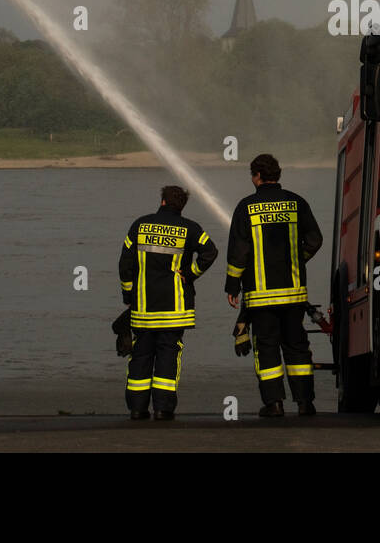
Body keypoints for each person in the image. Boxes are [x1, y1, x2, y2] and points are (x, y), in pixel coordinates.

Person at [224, 153, 322, 418]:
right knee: (296, 346)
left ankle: (274, 404)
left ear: (257, 176)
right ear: (277, 175)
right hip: (293, 295)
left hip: (261, 297)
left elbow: (238, 253)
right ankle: (305, 403)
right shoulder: (296, 203)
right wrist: (296, 260)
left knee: (267, 349)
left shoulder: (246, 207)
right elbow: (315, 240)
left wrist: (232, 286)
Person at [118, 185, 217, 421]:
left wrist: (128, 295)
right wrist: (190, 274)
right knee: (168, 357)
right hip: (175, 311)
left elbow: (125, 264)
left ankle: (137, 408)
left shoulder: (139, 225)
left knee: (140, 356)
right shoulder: (190, 228)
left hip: (143, 309)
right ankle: (163, 409)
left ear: (162, 202)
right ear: (181, 206)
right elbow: (210, 252)